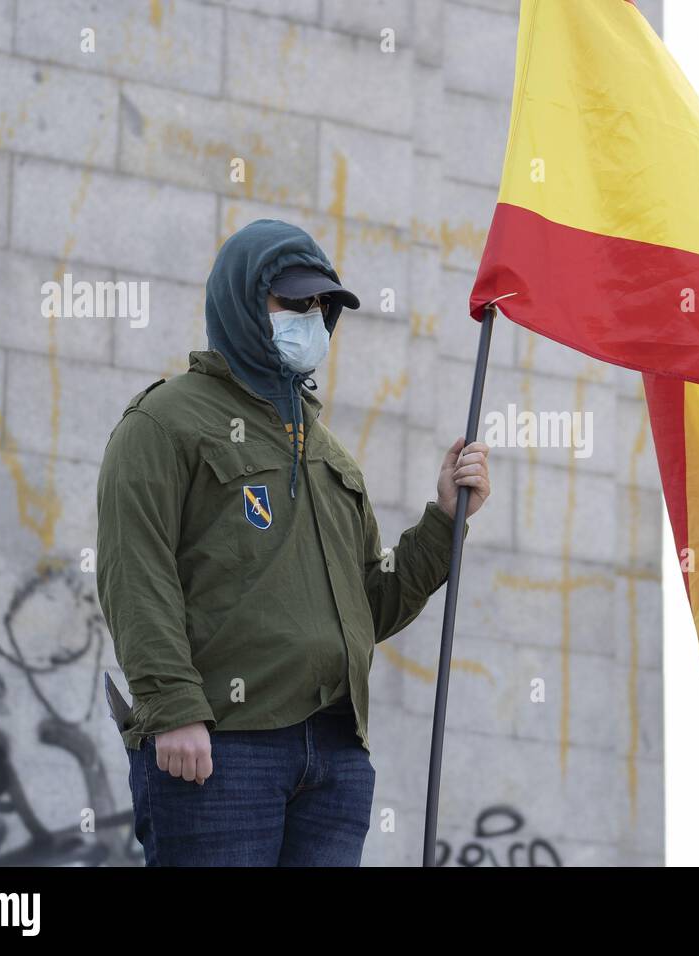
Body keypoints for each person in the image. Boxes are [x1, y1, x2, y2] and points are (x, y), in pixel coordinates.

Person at [96, 218, 491, 866]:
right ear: (244, 303)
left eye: (319, 306)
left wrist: (445, 520)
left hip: (334, 760)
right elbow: (134, 572)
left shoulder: (328, 451)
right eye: (292, 302)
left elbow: (369, 605)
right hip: (222, 750)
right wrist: (172, 710)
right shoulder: (165, 422)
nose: (309, 318)